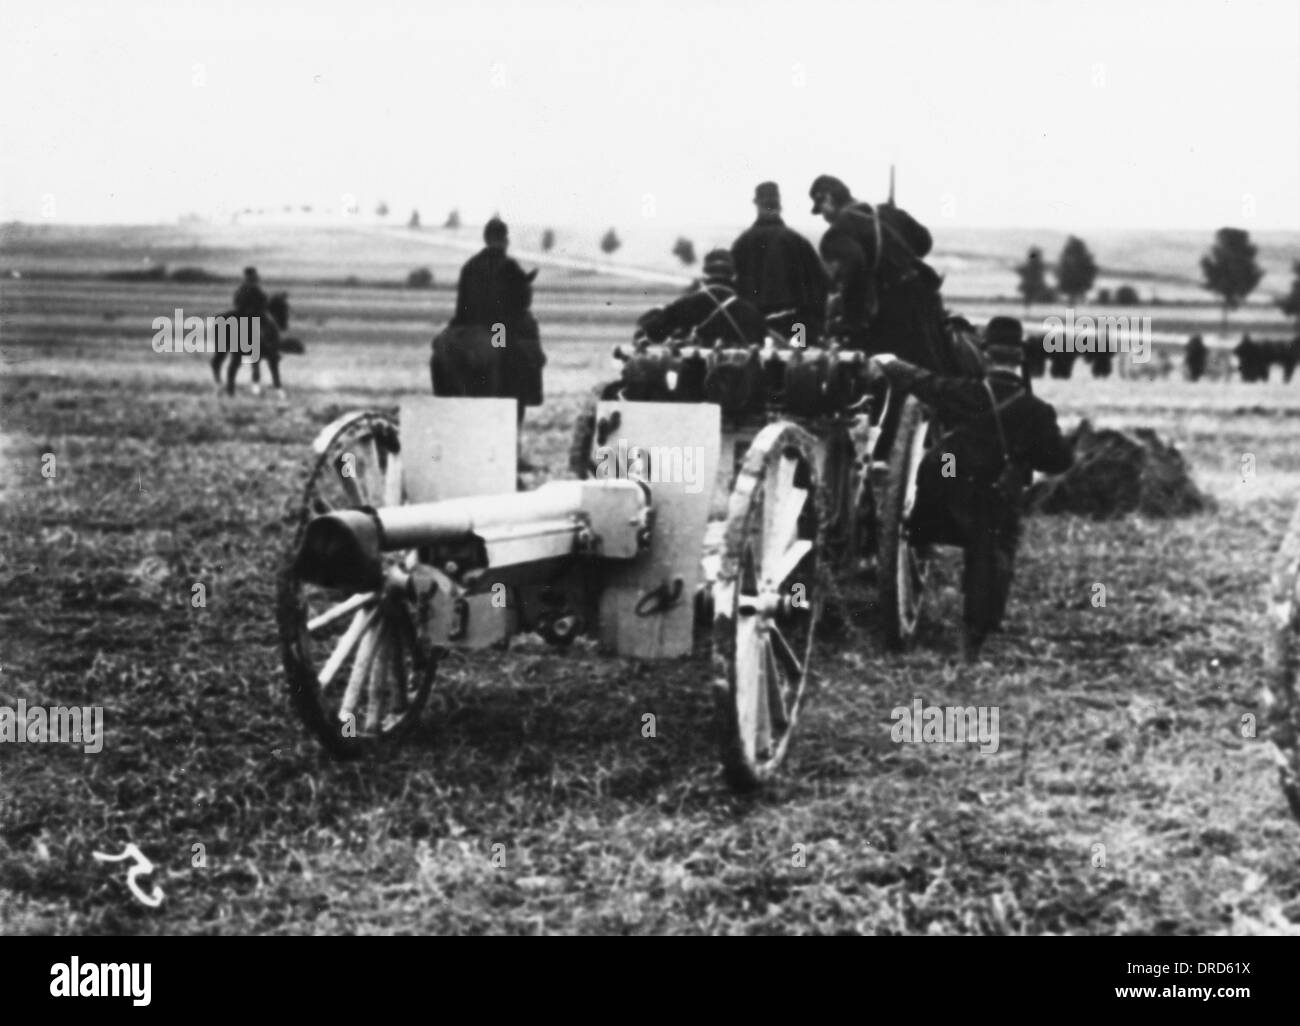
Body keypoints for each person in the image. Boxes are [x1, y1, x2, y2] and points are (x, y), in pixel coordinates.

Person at [869, 316, 1073, 660]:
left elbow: (925, 383)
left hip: (958, 494)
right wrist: (1027, 458)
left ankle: (924, 533)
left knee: (970, 540)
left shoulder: (966, 394)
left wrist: (891, 363)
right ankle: (973, 643)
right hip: (1003, 498)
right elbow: (1059, 461)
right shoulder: (1039, 412)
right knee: (991, 560)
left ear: (986, 356)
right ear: (1020, 359)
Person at [809, 174, 959, 374]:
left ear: (828, 199)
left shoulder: (836, 233)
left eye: (822, 210)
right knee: (934, 373)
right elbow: (924, 242)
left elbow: (854, 265)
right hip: (924, 301)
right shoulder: (887, 212)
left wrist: (851, 321)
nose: (824, 218)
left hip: (890, 316)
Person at [445, 217, 546, 424]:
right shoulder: (509, 266)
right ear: (505, 239)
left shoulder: (469, 266)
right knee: (526, 354)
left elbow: (460, 306)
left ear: (485, 238)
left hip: (469, 328)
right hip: (497, 329)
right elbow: (522, 303)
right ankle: (525, 394)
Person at [730, 182, 829, 343]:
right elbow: (821, 287)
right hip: (798, 325)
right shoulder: (798, 242)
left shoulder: (742, 244)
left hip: (752, 326)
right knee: (799, 360)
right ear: (779, 204)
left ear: (757, 204)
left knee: (754, 362)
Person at [635, 249, 768, 347]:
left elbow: (655, 334)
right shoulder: (751, 312)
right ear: (734, 277)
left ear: (704, 275)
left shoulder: (685, 305)